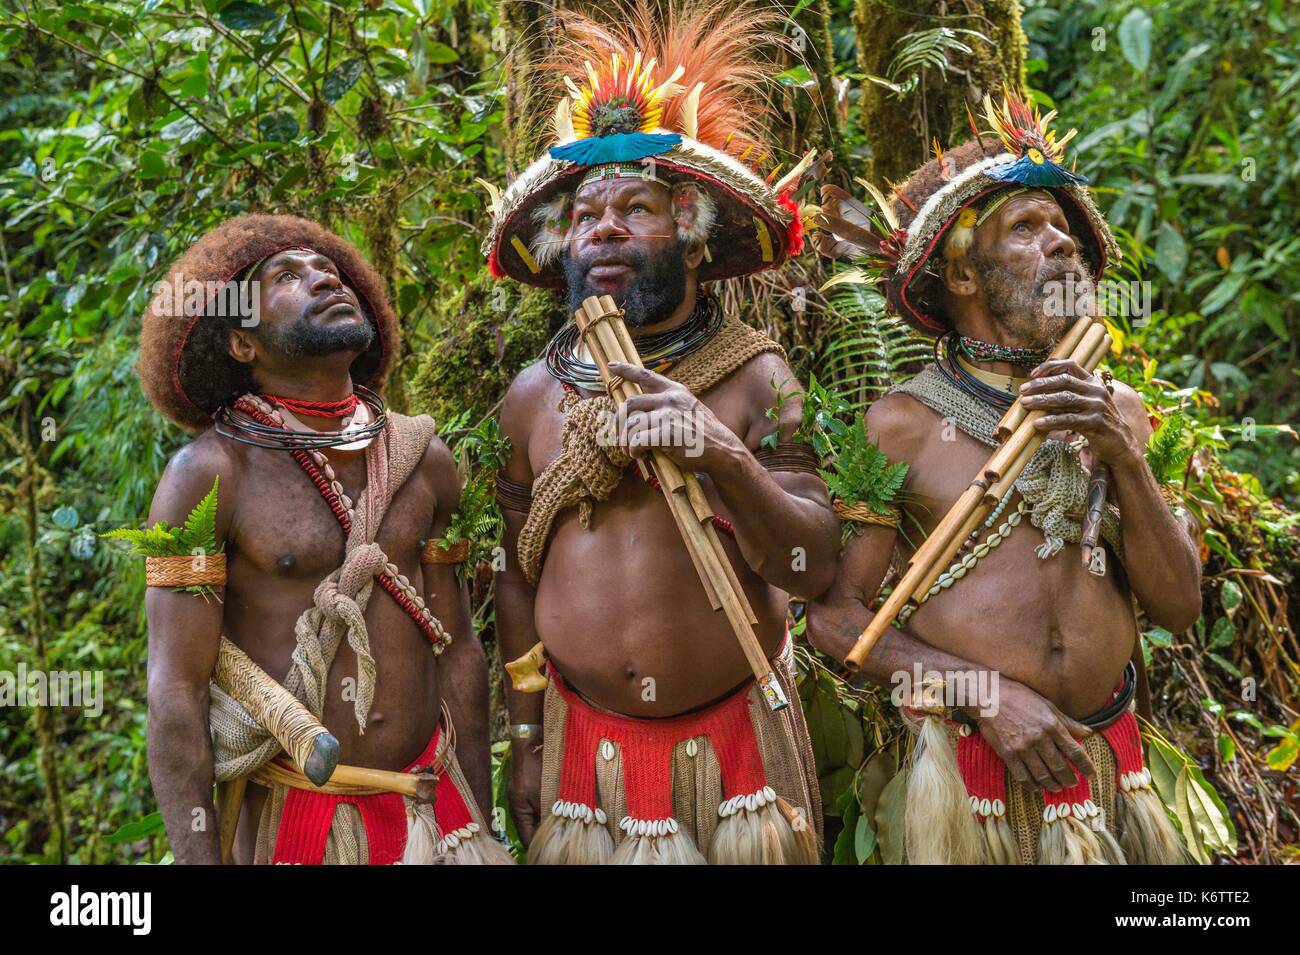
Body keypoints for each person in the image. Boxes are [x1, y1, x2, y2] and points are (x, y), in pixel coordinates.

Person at [480, 1, 839, 863]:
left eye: (634, 208)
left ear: (690, 226)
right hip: (584, 758)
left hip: (740, 751)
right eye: (583, 215)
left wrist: (719, 454)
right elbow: (515, 581)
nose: (602, 228)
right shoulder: (531, 399)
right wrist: (527, 740)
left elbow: (813, 567)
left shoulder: (761, 377)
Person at [805, 94, 1200, 864]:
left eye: (1064, 229)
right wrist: (985, 694)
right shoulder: (903, 424)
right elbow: (838, 624)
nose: (1061, 245)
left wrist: (1122, 455)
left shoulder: (1119, 408)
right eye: (1026, 228)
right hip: (969, 781)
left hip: (1110, 762)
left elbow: (1179, 605)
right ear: (962, 273)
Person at [137, 215, 509, 863]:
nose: (321, 278)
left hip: (435, 809)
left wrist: (478, 817)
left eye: (329, 272)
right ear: (242, 344)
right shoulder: (209, 473)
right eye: (287, 276)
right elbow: (176, 689)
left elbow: (457, 649)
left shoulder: (426, 458)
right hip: (296, 823)